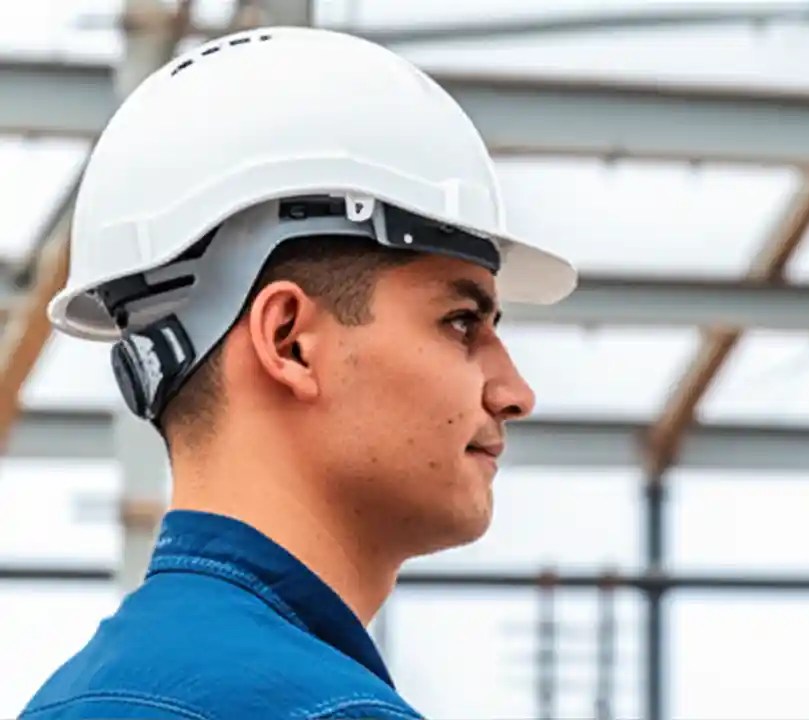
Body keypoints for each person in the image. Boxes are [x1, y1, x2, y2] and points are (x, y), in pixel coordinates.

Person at [20, 25, 576, 720]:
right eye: (461, 322)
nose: (515, 393)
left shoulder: (70, 701)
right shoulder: (323, 710)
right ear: (289, 341)